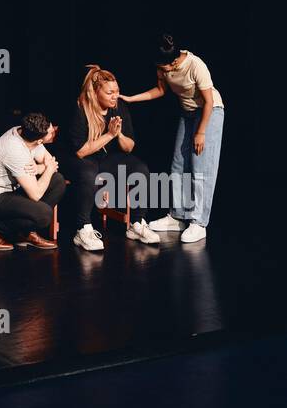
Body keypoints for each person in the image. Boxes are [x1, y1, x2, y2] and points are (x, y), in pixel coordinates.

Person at [120, 34, 225, 244]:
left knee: (200, 167)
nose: (162, 71)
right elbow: (160, 90)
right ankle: (177, 216)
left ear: (175, 61)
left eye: (164, 67)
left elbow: (209, 100)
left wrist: (201, 132)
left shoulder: (196, 66)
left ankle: (198, 222)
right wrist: (131, 99)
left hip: (209, 112)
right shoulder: (162, 64)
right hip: (188, 114)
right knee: (178, 164)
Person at [69, 65, 160, 252]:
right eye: (110, 92)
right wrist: (109, 135)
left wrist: (118, 135)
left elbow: (129, 147)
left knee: (139, 168)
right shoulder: (81, 107)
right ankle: (83, 229)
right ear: (96, 92)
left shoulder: (119, 107)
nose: (115, 96)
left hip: (104, 158)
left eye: (117, 91)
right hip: (78, 160)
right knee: (88, 172)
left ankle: (137, 223)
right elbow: (80, 151)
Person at [0, 112, 65, 251]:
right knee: (44, 215)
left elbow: (51, 162)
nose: (54, 133)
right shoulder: (14, 149)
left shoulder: (27, 132)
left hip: (11, 192)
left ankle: (25, 232)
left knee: (57, 180)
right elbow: (36, 194)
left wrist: (41, 168)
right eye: (51, 133)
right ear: (39, 141)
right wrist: (48, 168)